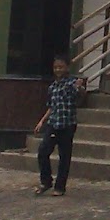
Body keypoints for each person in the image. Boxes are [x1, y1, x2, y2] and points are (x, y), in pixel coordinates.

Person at [33, 55, 88, 195]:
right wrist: (42, 121)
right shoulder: (52, 87)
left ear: (67, 68)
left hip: (67, 124)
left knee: (64, 156)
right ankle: (46, 181)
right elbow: (51, 106)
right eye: (56, 67)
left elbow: (80, 95)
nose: (58, 70)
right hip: (53, 123)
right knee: (43, 152)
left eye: (61, 67)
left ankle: (60, 187)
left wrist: (80, 88)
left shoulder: (71, 83)